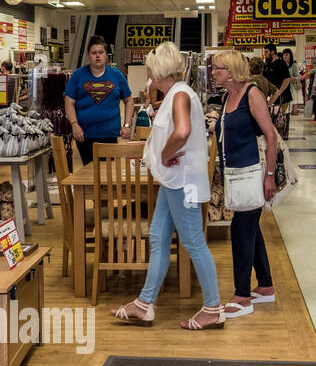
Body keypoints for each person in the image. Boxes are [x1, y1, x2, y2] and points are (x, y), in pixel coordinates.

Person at [111, 42, 223, 330]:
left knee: (194, 243)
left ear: (159, 70)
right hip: (174, 182)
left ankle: (212, 308)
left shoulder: (180, 96)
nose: (148, 73)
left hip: (181, 183)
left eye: (150, 68)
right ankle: (144, 303)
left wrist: (164, 154)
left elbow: (182, 131)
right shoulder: (176, 93)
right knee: (158, 235)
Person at [209, 50, 277, 320]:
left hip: (251, 173)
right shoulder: (227, 98)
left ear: (232, 71)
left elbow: (270, 136)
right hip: (234, 174)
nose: (214, 73)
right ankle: (266, 284)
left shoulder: (252, 94)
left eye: (218, 69)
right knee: (251, 228)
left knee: (241, 229)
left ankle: (242, 295)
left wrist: (269, 175)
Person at [65, 35, 134, 164]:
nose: (98, 56)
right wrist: (74, 124)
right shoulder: (77, 76)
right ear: (88, 55)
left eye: (101, 52)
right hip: (84, 135)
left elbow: (129, 100)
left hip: (110, 135)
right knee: (89, 174)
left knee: (107, 176)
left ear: (106, 55)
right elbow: (69, 102)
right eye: (94, 53)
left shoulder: (117, 75)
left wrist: (127, 125)